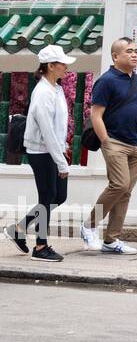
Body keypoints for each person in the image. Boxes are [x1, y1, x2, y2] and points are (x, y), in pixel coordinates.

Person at [5, 46, 77, 261]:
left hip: (53, 150)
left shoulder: (56, 88)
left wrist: (62, 149)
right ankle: (40, 246)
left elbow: (58, 127)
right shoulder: (43, 93)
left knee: (59, 196)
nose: (66, 67)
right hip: (42, 151)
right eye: (62, 63)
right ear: (50, 66)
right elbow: (46, 131)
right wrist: (61, 162)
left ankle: (19, 228)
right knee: (47, 197)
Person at [82, 38, 137, 255]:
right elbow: (96, 114)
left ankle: (112, 240)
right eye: (129, 51)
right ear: (116, 57)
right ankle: (89, 225)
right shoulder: (107, 81)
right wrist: (106, 141)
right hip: (115, 142)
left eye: (136, 51)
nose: (135, 54)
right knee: (119, 185)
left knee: (126, 192)